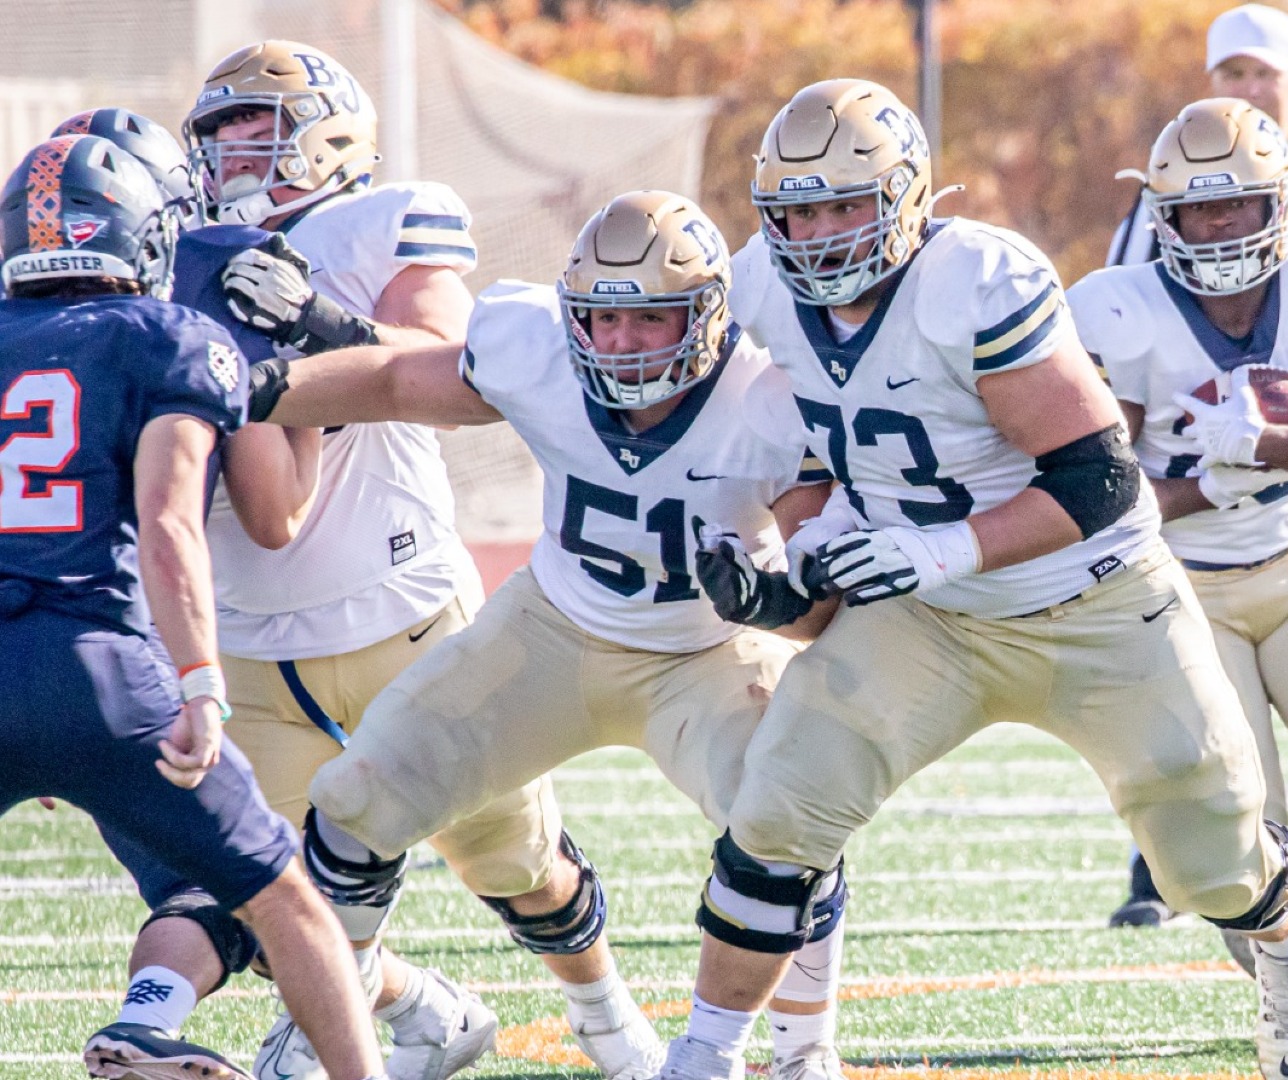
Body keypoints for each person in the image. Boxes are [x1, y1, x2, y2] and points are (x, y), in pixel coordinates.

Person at [658, 78, 1288, 1080]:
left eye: (847, 204)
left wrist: (938, 549)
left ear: (907, 195)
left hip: (1092, 597)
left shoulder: (977, 278)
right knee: (779, 809)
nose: (820, 233)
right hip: (928, 616)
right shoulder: (761, 284)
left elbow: (1100, 477)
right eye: (799, 209)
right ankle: (707, 1056)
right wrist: (796, 552)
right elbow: (803, 442)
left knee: (1210, 862)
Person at [252, 190, 847, 1080]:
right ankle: (326, 1033)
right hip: (552, 629)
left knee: (791, 821)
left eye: (650, 319)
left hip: (704, 649)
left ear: (708, 314)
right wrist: (253, 388)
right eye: (602, 319)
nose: (620, 343)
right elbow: (388, 381)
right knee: (357, 801)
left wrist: (766, 598)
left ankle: (803, 1053)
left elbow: (815, 614)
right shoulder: (535, 348)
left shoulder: (769, 400)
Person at [0, 133, 386, 1080]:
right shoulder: (169, 337)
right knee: (283, 902)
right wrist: (201, 687)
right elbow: (170, 525)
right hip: (99, 667)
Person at [179, 41, 509, 1077]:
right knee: (273, 892)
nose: (233, 156)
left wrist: (321, 327)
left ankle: (614, 1025)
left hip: (401, 598)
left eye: (255, 130)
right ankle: (413, 1008)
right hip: (248, 621)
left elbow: (453, 376)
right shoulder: (178, 245)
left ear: (329, 139)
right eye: (219, 136)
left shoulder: (386, 216)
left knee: (513, 857)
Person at [1070, 97, 1288, 1052]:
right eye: (1195, 211)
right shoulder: (1119, 308)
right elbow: (1095, 493)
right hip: (1180, 585)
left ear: (1285, 205)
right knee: (1236, 828)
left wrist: (1266, 441)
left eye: (1236, 207)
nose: (1215, 228)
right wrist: (1207, 482)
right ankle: (1285, 977)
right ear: (1163, 217)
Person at [1106, 4, 1288, 268]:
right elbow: (1126, 282)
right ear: (1211, 82)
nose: (1252, 90)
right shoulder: (1173, 176)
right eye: (1234, 74)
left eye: (1266, 73)